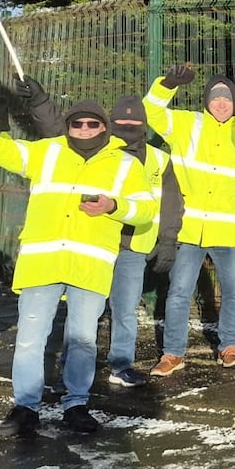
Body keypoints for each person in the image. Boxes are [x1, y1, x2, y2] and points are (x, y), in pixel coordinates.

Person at [0, 88, 155, 437]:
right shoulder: (46, 153)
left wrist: (113, 207)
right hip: (43, 263)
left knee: (82, 340)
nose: (84, 129)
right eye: (77, 124)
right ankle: (26, 407)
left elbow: (146, 210)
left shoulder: (127, 164)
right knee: (29, 338)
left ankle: (76, 405)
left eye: (92, 124)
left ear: (104, 127)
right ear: (69, 126)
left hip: (90, 266)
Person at [144, 65, 235, 373]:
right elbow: (150, 112)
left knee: (234, 291)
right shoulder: (186, 124)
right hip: (190, 226)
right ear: (206, 100)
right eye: (216, 98)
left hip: (230, 228)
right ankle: (173, 353)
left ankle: (229, 346)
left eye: (228, 99)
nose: (222, 104)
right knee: (179, 291)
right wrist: (167, 85)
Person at [103, 94, 180, 387]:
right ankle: (71, 366)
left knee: (125, 309)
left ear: (145, 126)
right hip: (97, 243)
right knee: (86, 309)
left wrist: (168, 240)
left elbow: (171, 204)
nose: (127, 127)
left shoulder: (160, 159)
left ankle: (120, 364)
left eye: (134, 123)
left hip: (135, 246)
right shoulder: (98, 153)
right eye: (120, 123)